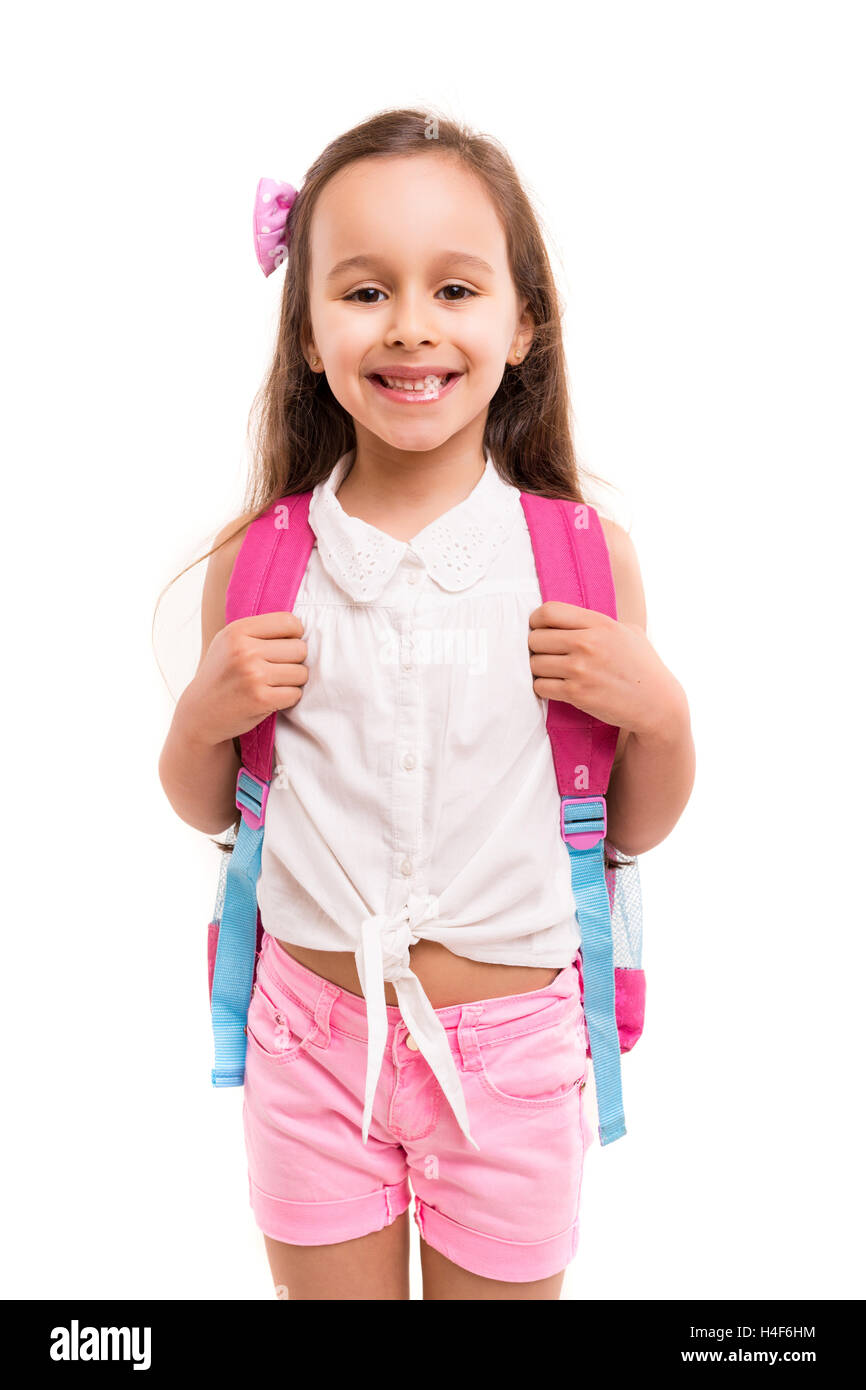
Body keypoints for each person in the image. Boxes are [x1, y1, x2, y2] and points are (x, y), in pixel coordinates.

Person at [158, 107, 695, 1301]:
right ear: (304, 330)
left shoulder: (580, 556)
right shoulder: (261, 560)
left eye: (454, 289)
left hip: (509, 1065)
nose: (409, 325)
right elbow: (214, 807)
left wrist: (658, 711)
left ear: (521, 326)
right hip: (309, 1047)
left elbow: (629, 828)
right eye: (363, 292)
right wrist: (203, 714)